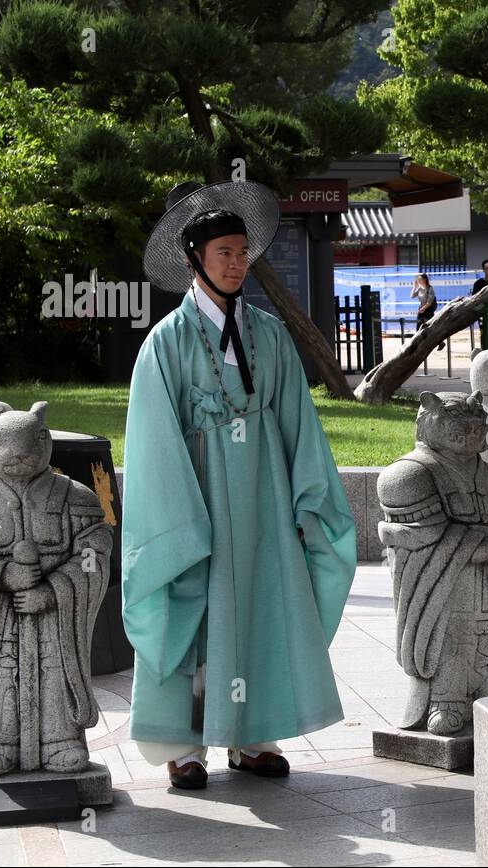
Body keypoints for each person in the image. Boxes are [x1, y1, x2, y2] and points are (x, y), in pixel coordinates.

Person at [127, 180, 358, 790]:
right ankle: (183, 742)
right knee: (192, 603)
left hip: (262, 500)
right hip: (195, 497)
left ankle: (253, 734)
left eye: (242, 252)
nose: (236, 263)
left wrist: (308, 501)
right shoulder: (164, 344)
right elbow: (154, 442)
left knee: (259, 603)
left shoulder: (271, 335)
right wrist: (182, 520)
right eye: (223, 252)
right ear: (193, 259)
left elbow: (297, 428)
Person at [411, 272, 444, 351]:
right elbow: (412, 296)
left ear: (424, 280)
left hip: (428, 310)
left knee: (431, 328)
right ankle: (417, 345)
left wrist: (424, 308)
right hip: (421, 309)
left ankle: (440, 342)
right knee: (418, 328)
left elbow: (429, 302)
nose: (418, 281)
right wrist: (414, 287)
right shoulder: (419, 289)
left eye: (419, 279)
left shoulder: (430, 288)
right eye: (417, 280)